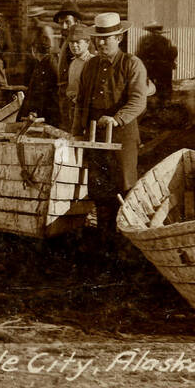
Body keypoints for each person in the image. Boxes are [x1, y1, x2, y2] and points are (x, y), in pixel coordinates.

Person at [71, 12, 148, 233]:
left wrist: (117, 119)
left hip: (122, 135)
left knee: (124, 186)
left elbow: (138, 100)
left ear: (119, 38)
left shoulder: (132, 64)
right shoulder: (90, 65)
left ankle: (125, 238)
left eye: (107, 38)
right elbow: (81, 102)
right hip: (94, 136)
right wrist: (76, 132)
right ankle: (104, 238)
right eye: (98, 39)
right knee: (99, 189)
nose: (101, 43)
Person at [135, 23, 178, 113]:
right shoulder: (165, 40)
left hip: (154, 67)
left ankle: (158, 105)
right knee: (161, 85)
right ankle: (161, 105)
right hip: (158, 67)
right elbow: (173, 53)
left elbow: (139, 54)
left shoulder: (145, 40)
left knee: (157, 85)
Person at [22, 30, 61, 127]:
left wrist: (36, 111)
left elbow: (47, 91)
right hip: (39, 108)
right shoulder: (41, 63)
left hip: (48, 111)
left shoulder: (50, 63)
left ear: (34, 50)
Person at [53, 2, 85, 120]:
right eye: (61, 23)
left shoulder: (84, 42)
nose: (64, 26)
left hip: (74, 92)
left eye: (68, 22)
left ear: (77, 22)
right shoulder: (65, 39)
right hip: (64, 90)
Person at [63, 24, 93, 119]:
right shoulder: (73, 62)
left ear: (87, 43)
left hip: (86, 108)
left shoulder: (93, 62)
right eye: (71, 42)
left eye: (78, 42)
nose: (74, 45)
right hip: (72, 106)